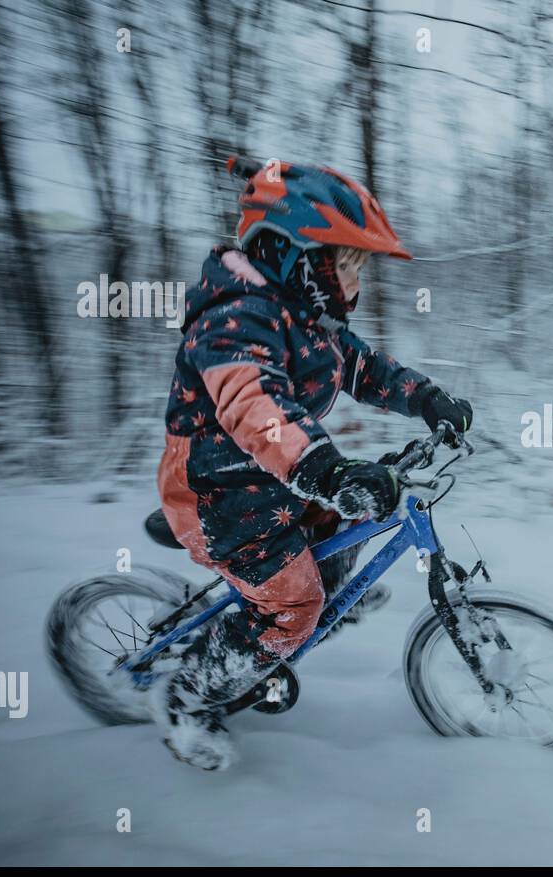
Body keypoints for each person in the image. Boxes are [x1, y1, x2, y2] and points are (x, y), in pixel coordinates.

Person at [154, 157, 472, 771]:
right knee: (292, 606)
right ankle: (189, 699)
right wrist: (328, 471)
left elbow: (366, 369)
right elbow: (254, 406)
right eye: (348, 265)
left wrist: (428, 399)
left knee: (348, 522)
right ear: (293, 256)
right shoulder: (231, 319)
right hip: (218, 490)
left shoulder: (305, 317)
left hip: (276, 473)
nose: (357, 284)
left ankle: (320, 591)